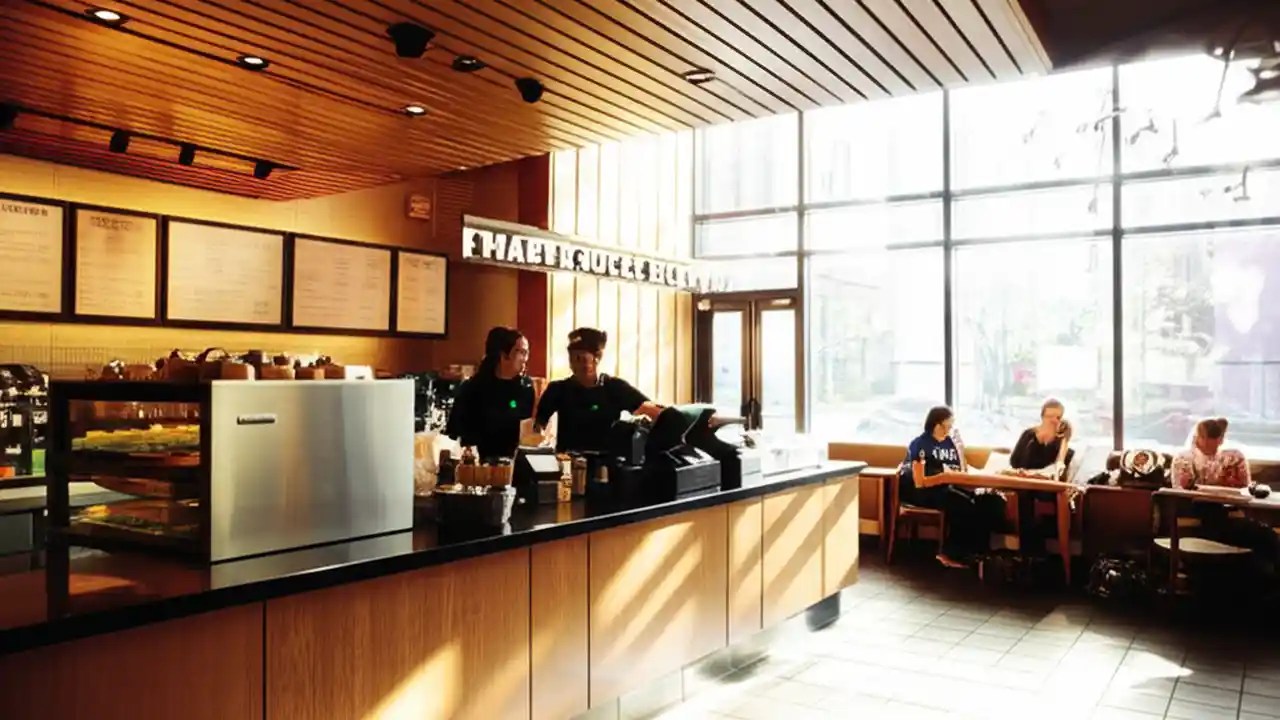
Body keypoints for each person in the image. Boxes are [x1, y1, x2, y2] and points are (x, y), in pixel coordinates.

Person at [899, 406, 1007, 568]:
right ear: (937, 425)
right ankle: (952, 553)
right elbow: (920, 481)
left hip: (948, 486)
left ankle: (979, 551)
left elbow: (958, 470)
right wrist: (945, 477)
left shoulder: (950, 444)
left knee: (992, 500)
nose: (949, 430)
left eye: (951, 426)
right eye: (947, 426)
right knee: (961, 503)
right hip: (924, 491)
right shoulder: (920, 444)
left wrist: (961, 463)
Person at [1170, 418, 1275, 576]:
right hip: (1196, 508)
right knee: (1263, 537)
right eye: (1205, 439)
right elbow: (1181, 488)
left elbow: (1244, 488)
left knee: (1264, 538)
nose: (1209, 444)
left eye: (1214, 440)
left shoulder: (1234, 456)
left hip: (1227, 509)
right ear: (1198, 437)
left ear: (1220, 440)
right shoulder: (1184, 458)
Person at [534, 327, 663, 453]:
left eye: (581, 359)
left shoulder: (615, 387)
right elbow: (537, 425)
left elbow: (652, 410)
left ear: (597, 358)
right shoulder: (558, 389)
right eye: (572, 359)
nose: (575, 365)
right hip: (568, 465)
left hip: (606, 466)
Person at [444, 326, 534, 459]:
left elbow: (527, 433)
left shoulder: (525, 388)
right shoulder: (472, 389)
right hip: (476, 464)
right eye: (520, 352)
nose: (525, 359)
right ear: (503, 355)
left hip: (514, 464)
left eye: (527, 353)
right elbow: (454, 434)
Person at [1009, 398, 1076, 553]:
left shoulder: (1060, 441)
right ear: (1042, 417)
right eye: (1050, 416)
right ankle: (1028, 553)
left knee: (1041, 496)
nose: (1054, 420)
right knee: (1024, 494)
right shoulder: (1029, 435)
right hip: (1024, 480)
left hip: (1046, 484)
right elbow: (1015, 461)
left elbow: (1057, 467)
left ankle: (1039, 553)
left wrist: (1062, 440)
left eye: (1058, 417)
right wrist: (1038, 440)